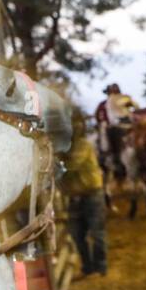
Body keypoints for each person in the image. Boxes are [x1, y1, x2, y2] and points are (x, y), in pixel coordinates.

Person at [61, 112, 108, 276]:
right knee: (78, 235)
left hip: (91, 194)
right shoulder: (67, 147)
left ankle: (99, 266)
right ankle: (88, 266)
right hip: (77, 196)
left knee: (96, 232)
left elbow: (72, 164)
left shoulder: (83, 145)